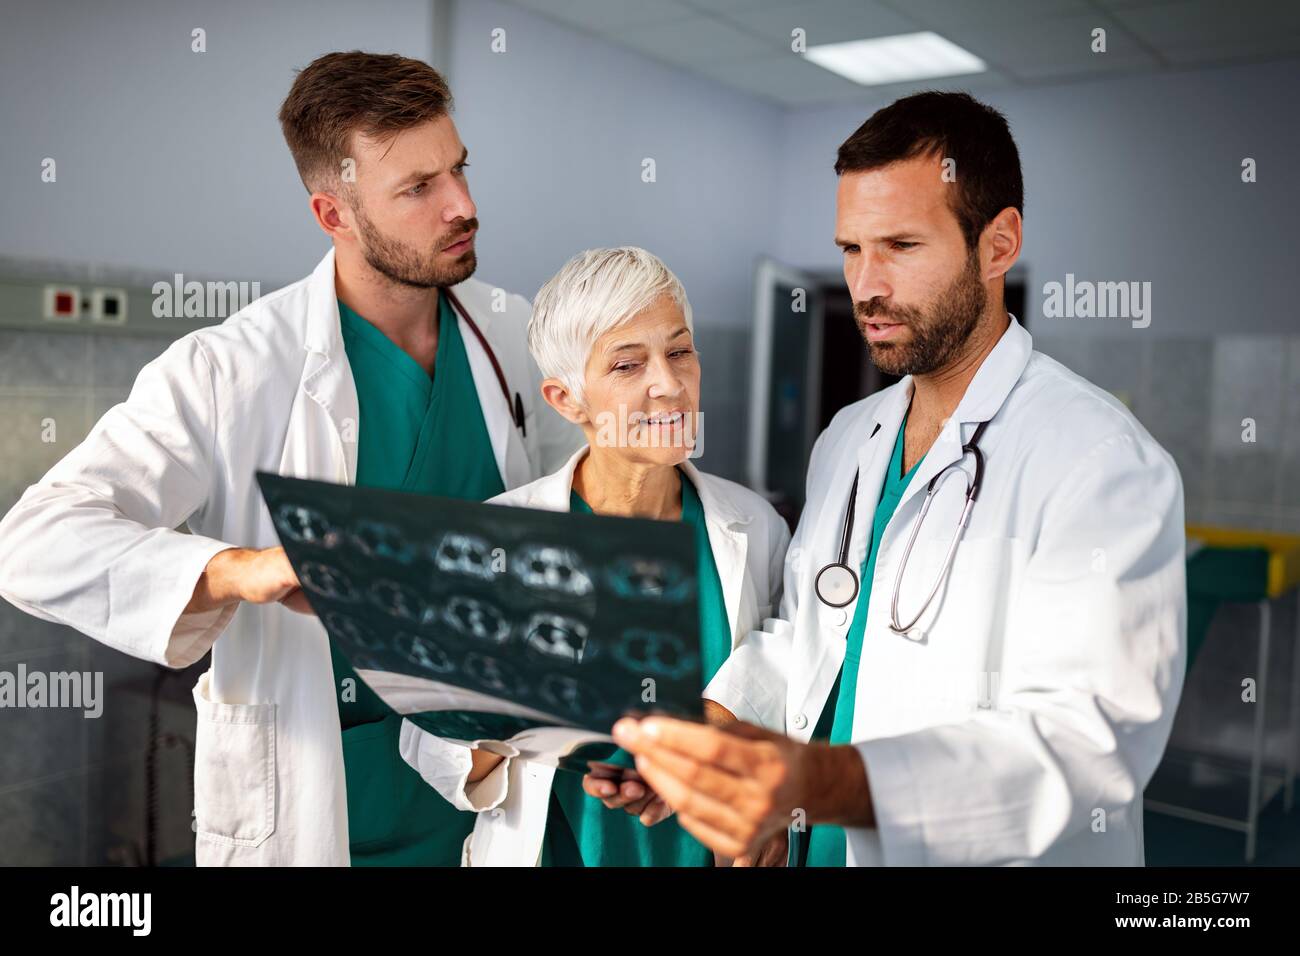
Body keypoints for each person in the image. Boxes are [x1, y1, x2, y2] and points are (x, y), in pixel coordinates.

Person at [0, 51, 580, 866]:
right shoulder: (227, 369)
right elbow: (32, 541)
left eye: (459, 169)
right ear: (333, 214)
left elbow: (582, 516)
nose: (463, 206)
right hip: (321, 796)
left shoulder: (513, 336)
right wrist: (241, 569)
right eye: (418, 188)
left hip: (495, 787)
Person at [612, 91, 1187, 867]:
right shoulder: (851, 437)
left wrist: (822, 779)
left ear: (998, 243)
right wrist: (711, 746)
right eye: (851, 248)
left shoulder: (1099, 461)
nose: (865, 285)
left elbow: (1088, 746)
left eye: (901, 246)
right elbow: (811, 633)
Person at [398, 247, 791, 866]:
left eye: (680, 351)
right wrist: (508, 710)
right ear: (566, 399)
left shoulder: (755, 526)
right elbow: (427, 747)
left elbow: (786, 691)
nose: (668, 383)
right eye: (629, 364)